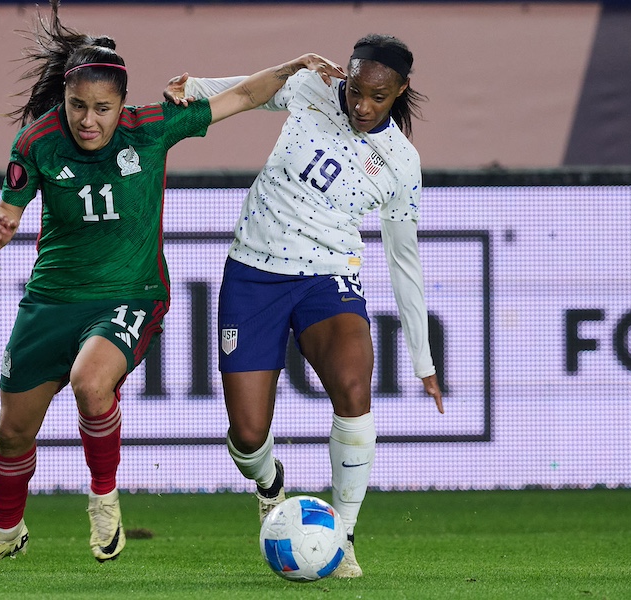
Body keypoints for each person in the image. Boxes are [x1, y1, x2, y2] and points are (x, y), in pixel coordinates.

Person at [0, 0, 345, 574]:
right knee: (12, 434)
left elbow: (242, 97)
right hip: (51, 300)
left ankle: (104, 496)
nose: (89, 120)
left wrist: (292, 67)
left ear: (121, 105)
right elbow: (10, 207)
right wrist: (2, 223)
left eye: (102, 109)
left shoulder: (151, 129)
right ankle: (7, 530)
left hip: (129, 294)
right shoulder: (36, 141)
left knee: (91, 383)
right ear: (64, 100)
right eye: (78, 106)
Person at [164, 33, 444, 578]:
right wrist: (194, 87)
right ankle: (271, 488)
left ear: (401, 91)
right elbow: (248, 93)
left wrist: (423, 359)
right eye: (356, 90)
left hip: (329, 278)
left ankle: (342, 535)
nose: (362, 105)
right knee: (247, 436)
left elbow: (404, 261)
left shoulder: (401, 164)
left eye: (377, 98)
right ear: (347, 76)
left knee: (355, 392)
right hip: (254, 272)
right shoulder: (313, 87)